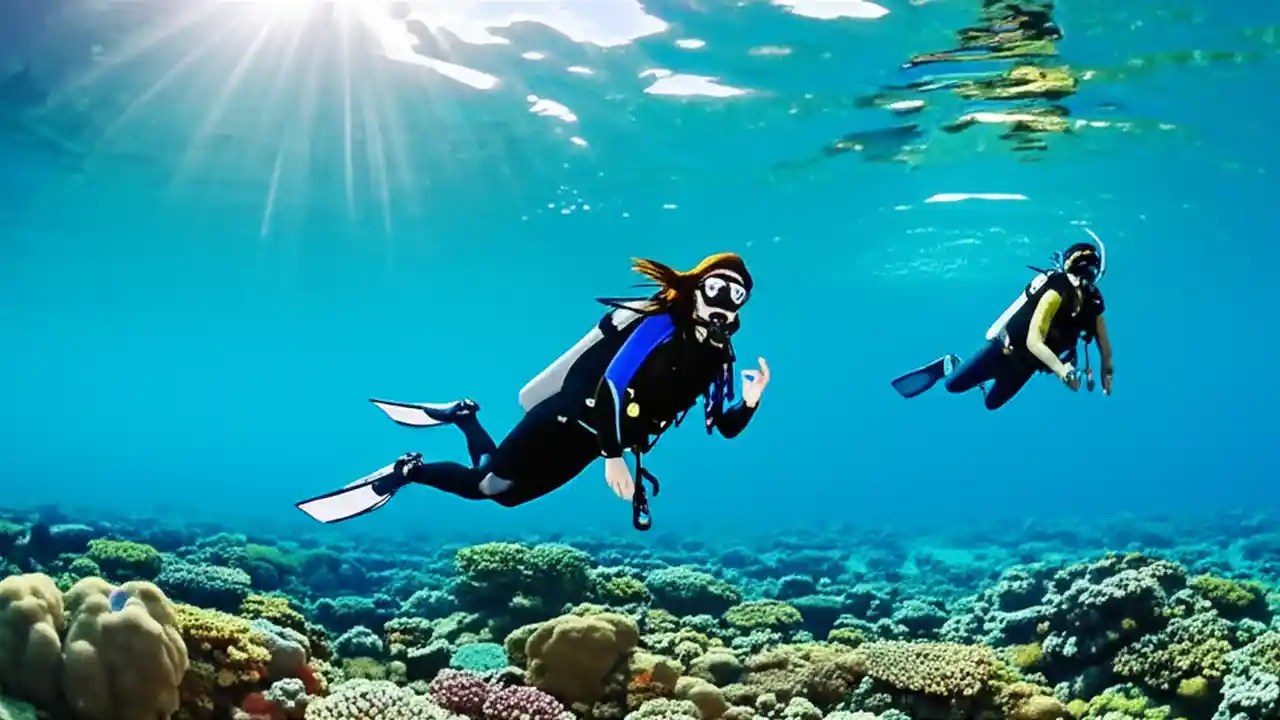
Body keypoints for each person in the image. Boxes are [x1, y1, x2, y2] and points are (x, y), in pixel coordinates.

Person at [297, 253, 771, 530]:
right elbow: (612, 382)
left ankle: (465, 416)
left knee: (505, 496)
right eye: (716, 286)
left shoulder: (719, 357)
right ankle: (409, 469)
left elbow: (724, 427)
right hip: (566, 416)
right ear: (695, 287)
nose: (724, 300)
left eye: (737, 294)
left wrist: (750, 401)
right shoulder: (659, 323)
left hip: (594, 443)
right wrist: (613, 457)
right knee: (488, 486)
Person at [890, 238, 1114, 410]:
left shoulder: (1092, 305)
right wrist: (1062, 371)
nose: (1081, 285)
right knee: (952, 386)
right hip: (1004, 350)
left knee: (991, 404)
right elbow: (1034, 340)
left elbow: (1104, 346)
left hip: (1027, 367)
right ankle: (950, 364)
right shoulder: (1056, 292)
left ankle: (979, 381)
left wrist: (1107, 371)